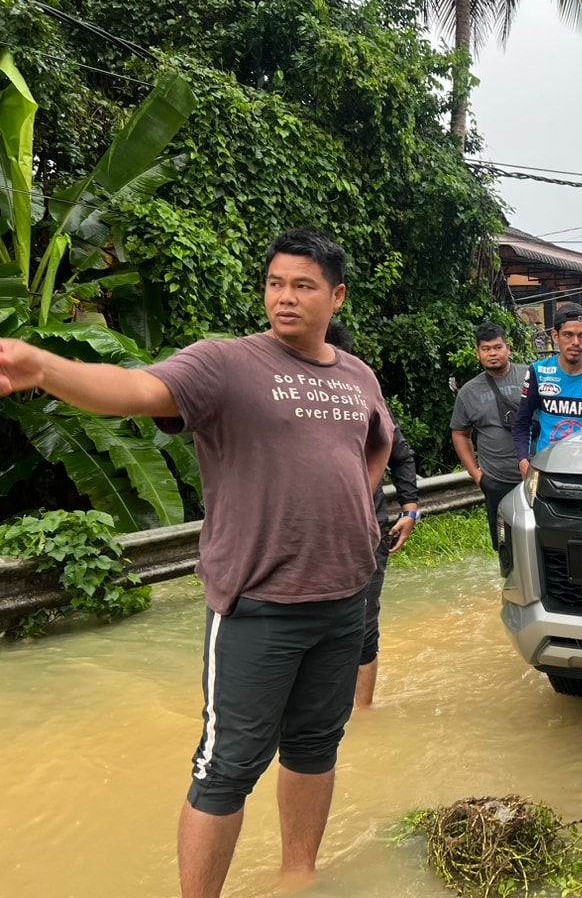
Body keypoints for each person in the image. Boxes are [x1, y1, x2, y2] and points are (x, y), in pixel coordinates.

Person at [0, 228, 392, 898]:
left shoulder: (358, 375)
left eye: (303, 285)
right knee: (227, 765)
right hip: (258, 605)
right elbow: (130, 390)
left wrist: (355, 515)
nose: (285, 298)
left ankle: (300, 876)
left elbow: (375, 445)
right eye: (275, 283)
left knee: (316, 747)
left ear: (337, 296)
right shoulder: (226, 364)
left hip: (343, 598)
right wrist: (44, 369)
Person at [325, 321, 419, 708]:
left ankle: (362, 714)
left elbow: (399, 453)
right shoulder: (278, 398)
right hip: (304, 536)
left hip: (366, 530)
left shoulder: (362, 396)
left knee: (364, 623)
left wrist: (410, 507)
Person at [512, 302, 582, 477]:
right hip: (547, 467)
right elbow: (522, 423)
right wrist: (523, 461)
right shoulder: (539, 371)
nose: (575, 342)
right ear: (555, 336)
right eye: (568, 335)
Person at [450, 322, 529, 548]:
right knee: (505, 545)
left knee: (539, 541)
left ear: (508, 348)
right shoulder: (468, 392)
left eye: (497, 347)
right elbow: (460, 434)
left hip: (534, 477)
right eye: (486, 349)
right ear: (477, 353)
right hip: (496, 481)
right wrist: (477, 475)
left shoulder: (530, 377)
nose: (492, 353)